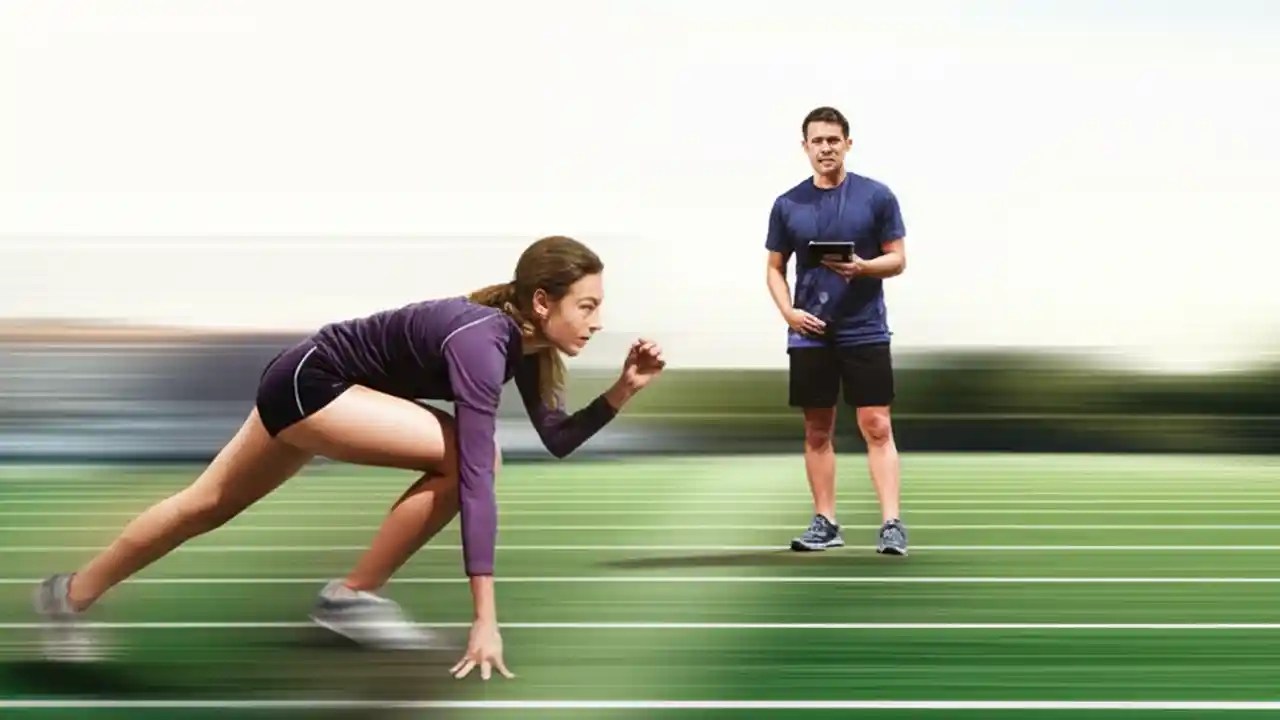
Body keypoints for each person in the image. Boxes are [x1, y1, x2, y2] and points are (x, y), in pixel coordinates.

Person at [32, 235, 666, 681]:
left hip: (299, 378)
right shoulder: (482, 341)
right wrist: (485, 620)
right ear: (540, 303)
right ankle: (350, 597)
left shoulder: (517, 346)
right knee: (479, 460)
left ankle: (68, 594)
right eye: (587, 305)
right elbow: (473, 476)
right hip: (314, 386)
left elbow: (555, 437)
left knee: (205, 505)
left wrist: (622, 390)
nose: (597, 320)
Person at [764, 106, 908, 555]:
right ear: (804, 147)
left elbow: (898, 259)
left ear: (848, 143)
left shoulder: (877, 196)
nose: (825, 148)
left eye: (833, 140)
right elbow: (773, 268)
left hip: (864, 329)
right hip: (810, 331)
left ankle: (891, 524)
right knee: (816, 429)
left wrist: (862, 267)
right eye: (817, 141)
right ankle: (825, 522)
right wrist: (787, 312)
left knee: (877, 424)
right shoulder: (788, 204)